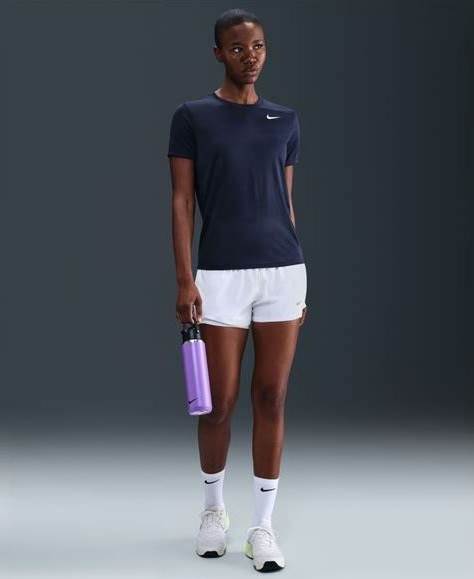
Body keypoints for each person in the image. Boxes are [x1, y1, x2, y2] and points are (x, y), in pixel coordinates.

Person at [167, 8, 308, 573]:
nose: (251, 57)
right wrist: (185, 279)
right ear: (218, 53)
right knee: (219, 401)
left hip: (282, 273)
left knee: (271, 396)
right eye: (238, 48)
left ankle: (262, 528)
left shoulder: (286, 119)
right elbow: (182, 202)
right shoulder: (192, 118)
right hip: (220, 276)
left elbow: (285, 202)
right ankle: (213, 512)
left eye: (259, 47)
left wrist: (298, 278)